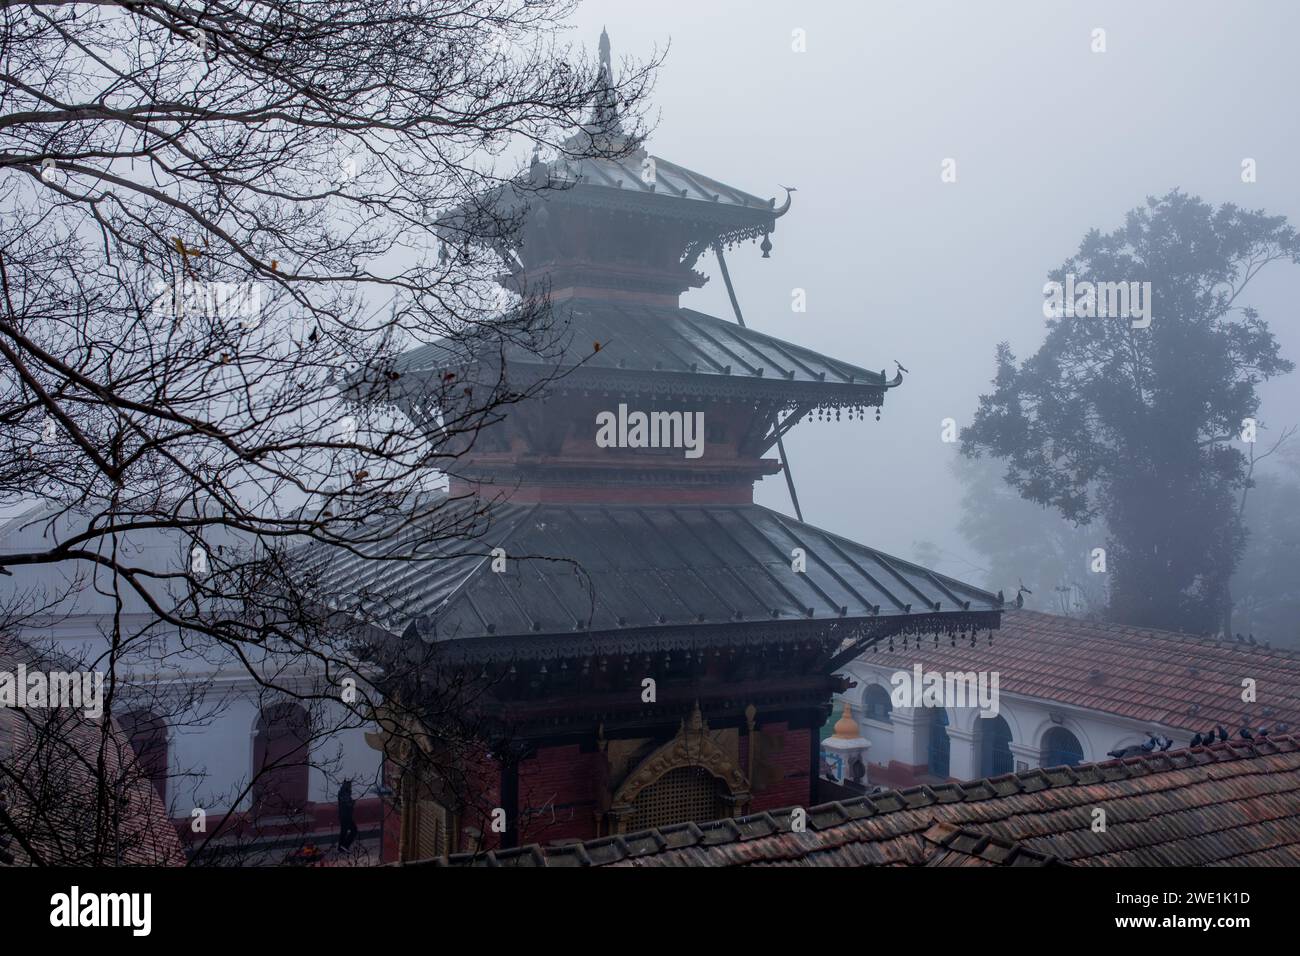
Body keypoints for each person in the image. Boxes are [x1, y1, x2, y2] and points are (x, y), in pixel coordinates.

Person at [337, 780, 358, 852]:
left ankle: (341, 847)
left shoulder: (343, 792)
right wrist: (353, 802)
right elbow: (348, 804)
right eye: (350, 785)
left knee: (344, 831)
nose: (351, 787)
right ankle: (345, 846)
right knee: (354, 830)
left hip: (344, 815)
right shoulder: (344, 793)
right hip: (346, 816)